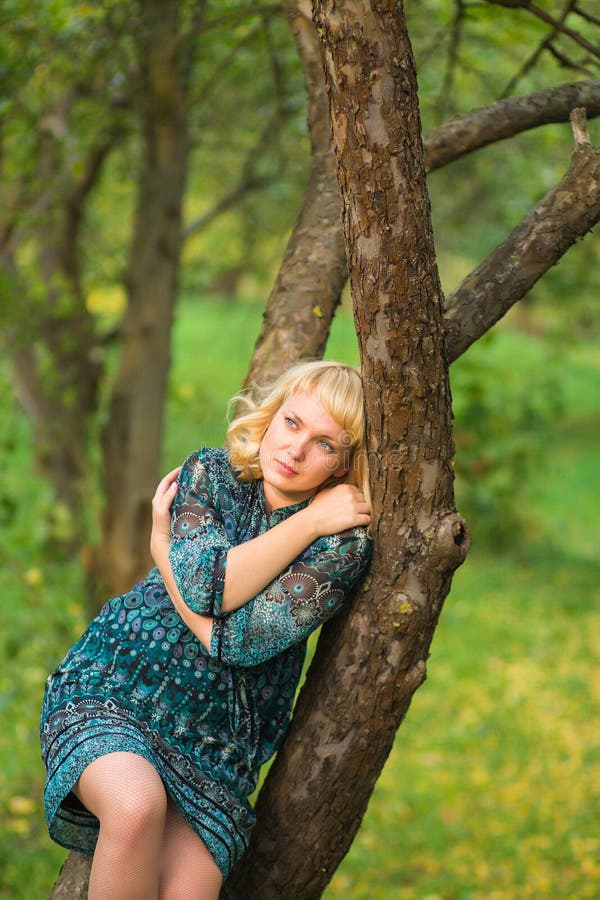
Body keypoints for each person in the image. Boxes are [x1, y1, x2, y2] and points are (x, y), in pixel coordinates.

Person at [41, 360, 372, 900]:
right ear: (271, 418)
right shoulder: (211, 475)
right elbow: (205, 589)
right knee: (133, 806)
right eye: (292, 423)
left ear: (343, 465)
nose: (295, 450)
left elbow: (241, 643)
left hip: (218, 750)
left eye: (325, 444)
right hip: (118, 691)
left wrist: (162, 556)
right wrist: (308, 522)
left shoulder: (344, 543)